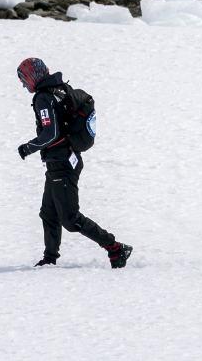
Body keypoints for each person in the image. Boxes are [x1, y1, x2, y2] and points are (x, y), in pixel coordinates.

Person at [16, 58, 131, 269]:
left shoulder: (44, 97)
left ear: (32, 77)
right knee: (48, 212)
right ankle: (49, 259)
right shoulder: (59, 89)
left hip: (63, 163)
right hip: (61, 160)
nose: (23, 85)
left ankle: (115, 247)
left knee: (70, 219)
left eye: (24, 80)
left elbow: (50, 133)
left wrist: (28, 147)